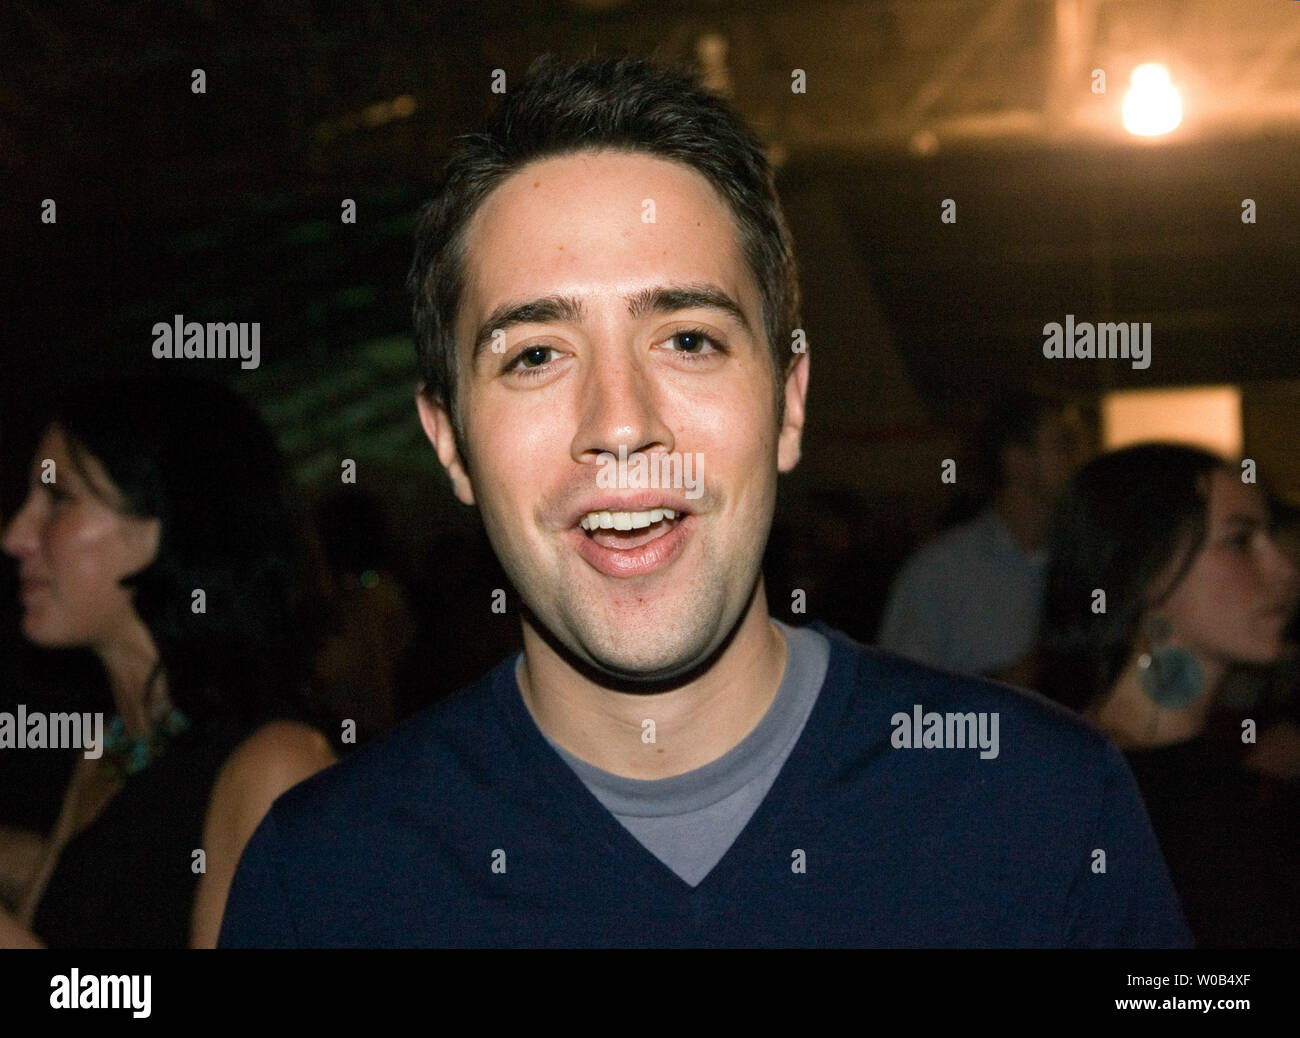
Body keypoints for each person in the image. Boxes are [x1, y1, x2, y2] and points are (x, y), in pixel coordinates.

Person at [219, 56, 1189, 948]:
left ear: (789, 403)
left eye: (686, 339)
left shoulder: (1039, 808)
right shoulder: (327, 882)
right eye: (535, 354)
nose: (621, 420)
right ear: (449, 444)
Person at [0, 376, 337, 948]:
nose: (14, 536)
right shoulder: (110, 752)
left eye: (58, 499)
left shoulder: (273, 766)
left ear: (167, 519)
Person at [1038, 443, 1300, 947]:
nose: (1284, 570)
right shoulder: (1091, 790)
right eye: (1240, 540)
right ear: (1146, 565)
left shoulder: (1221, 771)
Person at [878, 389, 1083, 682]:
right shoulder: (938, 573)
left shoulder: (1084, 561)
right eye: (1065, 444)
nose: (1080, 458)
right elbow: (899, 693)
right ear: (1017, 461)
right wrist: (1010, 686)